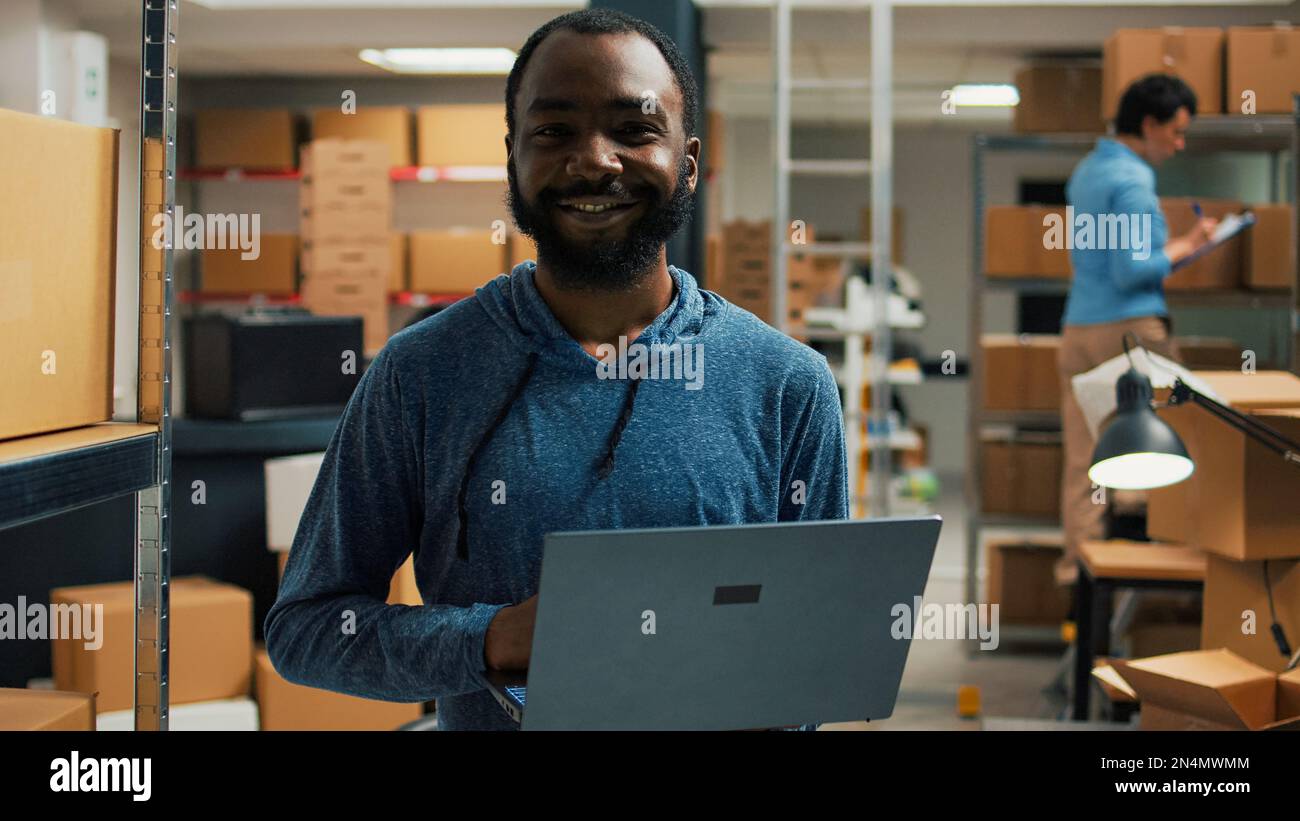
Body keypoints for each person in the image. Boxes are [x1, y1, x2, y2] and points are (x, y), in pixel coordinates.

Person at [264, 9, 848, 731]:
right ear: (514, 156)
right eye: (555, 131)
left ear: (688, 162)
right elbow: (307, 630)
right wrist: (491, 639)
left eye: (634, 129)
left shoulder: (786, 384)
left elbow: (815, 654)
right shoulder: (421, 373)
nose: (595, 160)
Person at [1056, 74, 1218, 585]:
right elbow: (1132, 269)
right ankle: (1159, 581)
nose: (1179, 143)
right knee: (1165, 451)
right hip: (1129, 333)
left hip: (1079, 327)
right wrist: (1188, 245)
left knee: (1083, 460)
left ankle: (1081, 582)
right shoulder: (1133, 180)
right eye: (1175, 131)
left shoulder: (1086, 172)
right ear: (1148, 125)